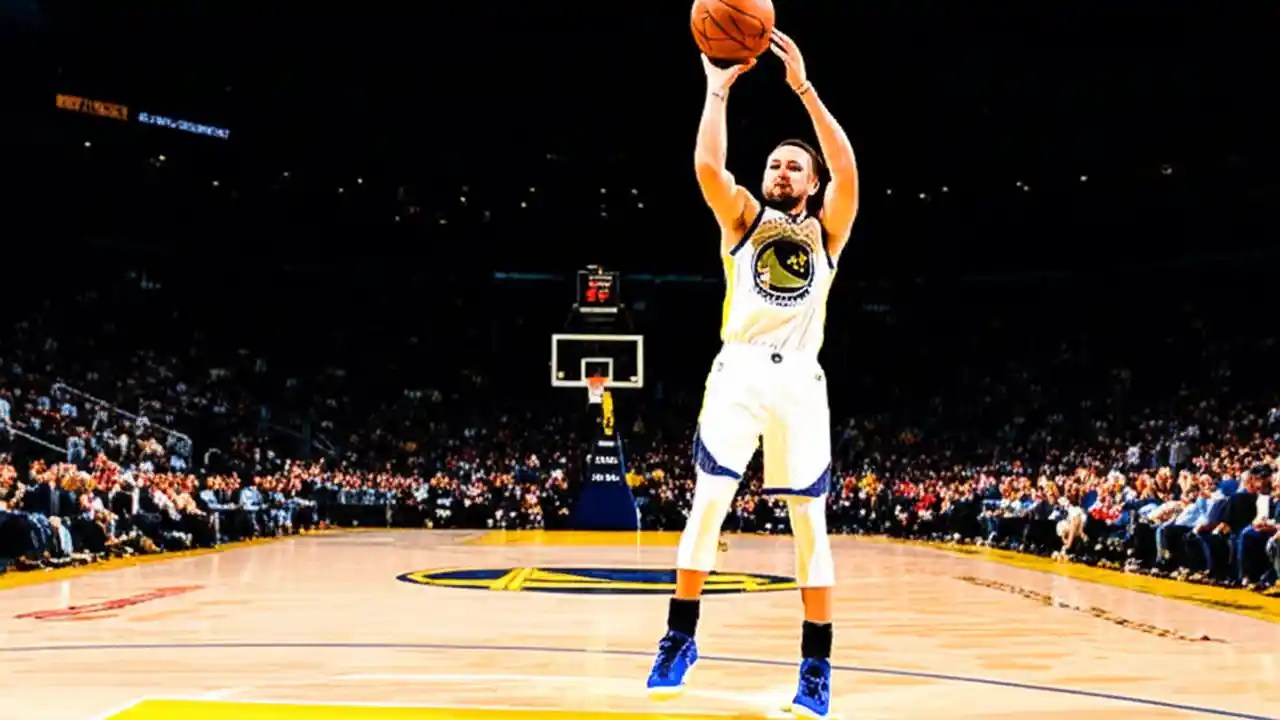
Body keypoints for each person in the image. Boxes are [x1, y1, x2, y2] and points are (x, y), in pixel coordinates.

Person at [645, 28, 859, 720]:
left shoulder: (829, 230)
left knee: (809, 524)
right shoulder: (744, 219)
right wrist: (715, 86)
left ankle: (816, 668)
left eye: (795, 166)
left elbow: (850, 174)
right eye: (775, 164)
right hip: (737, 371)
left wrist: (804, 91)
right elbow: (709, 169)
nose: (782, 172)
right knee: (708, 502)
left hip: (800, 379)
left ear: (814, 182)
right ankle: (680, 639)